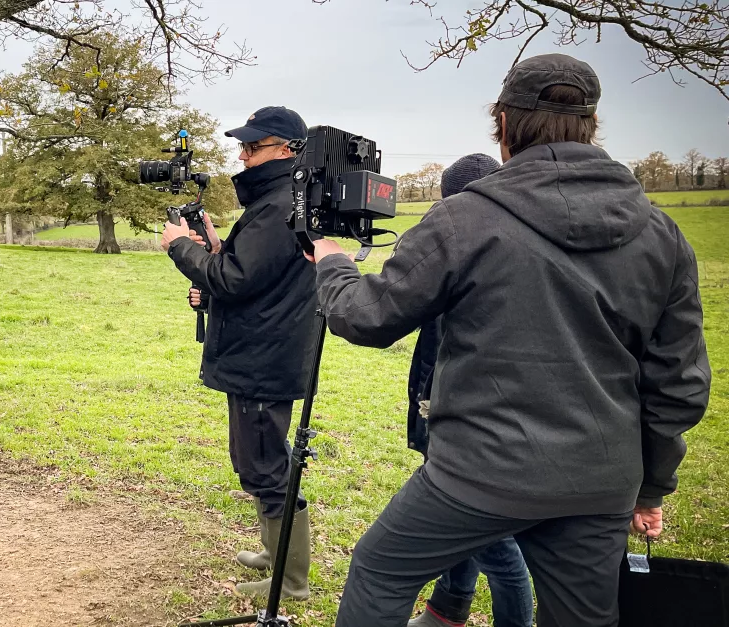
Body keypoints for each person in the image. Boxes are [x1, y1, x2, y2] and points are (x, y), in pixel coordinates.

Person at [307, 54, 710, 627]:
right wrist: (651, 487)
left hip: (480, 473)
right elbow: (679, 384)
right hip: (602, 482)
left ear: (503, 123)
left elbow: (367, 317)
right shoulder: (662, 232)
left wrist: (333, 263)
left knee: (380, 570)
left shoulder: (464, 219)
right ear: (591, 125)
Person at [161, 106, 318, 600]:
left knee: (265, 467)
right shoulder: (282, 199)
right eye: (244, 147)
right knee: (265, 459)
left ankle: (288, 582)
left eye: (256, 147)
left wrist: (180, 248)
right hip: (267, 347)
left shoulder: (278, 206)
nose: (245, 156)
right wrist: (213, 243)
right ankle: (277, 557)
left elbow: (234, 278)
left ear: (289, 150)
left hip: (263, 356)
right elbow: (251, 271)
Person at [404, 154, 534, 627]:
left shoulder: (488, 250)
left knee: (496, 547)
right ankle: (449, 607)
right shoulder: (483, 242)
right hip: (441, 395)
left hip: (471, 418)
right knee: (455, 521)